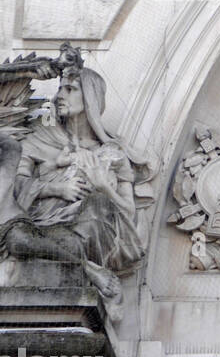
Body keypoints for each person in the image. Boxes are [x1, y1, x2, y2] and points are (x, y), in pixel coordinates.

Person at [15, 64, 149, 277]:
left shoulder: (114, 155)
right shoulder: (38, 137)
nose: (60, 95)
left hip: (88, 235)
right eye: (60, 88)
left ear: (90, 98)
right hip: (38, 229)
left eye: (70, 89)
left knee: (97, 204)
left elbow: (129, 213)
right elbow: (13, 188)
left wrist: (104, 187)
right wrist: (57, 189)